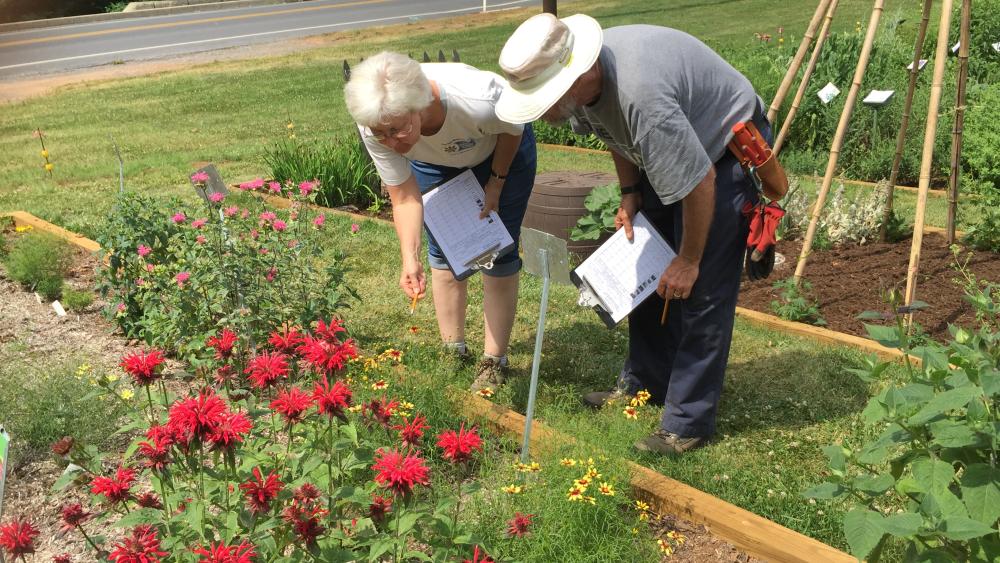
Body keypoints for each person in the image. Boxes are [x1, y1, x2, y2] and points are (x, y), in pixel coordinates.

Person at [496, 14, 779, 454]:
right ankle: (645, 384)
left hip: (721, 153)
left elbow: (700, 181)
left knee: (700, 289)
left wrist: (687, 261)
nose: (540, 111)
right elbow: (611, 132)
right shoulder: (582, 92)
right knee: (648, 269)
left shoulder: (642, 99)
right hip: (674, 149)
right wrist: (630, 192)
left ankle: (688, 422)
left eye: (543, 99)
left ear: (578, 77)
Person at [343, 51, 537, 392]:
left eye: (397, 130)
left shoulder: (479, 98)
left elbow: (512, 129)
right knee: (446, 249)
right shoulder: (377, 121)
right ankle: (454, 350)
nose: (390, 142)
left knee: (496, 251)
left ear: (421, 104)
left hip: (499, 150)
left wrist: (496, 182)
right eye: (380, 134)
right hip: (434, 161)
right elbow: (403, 196)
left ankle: (494, 361)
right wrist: (409, 258)